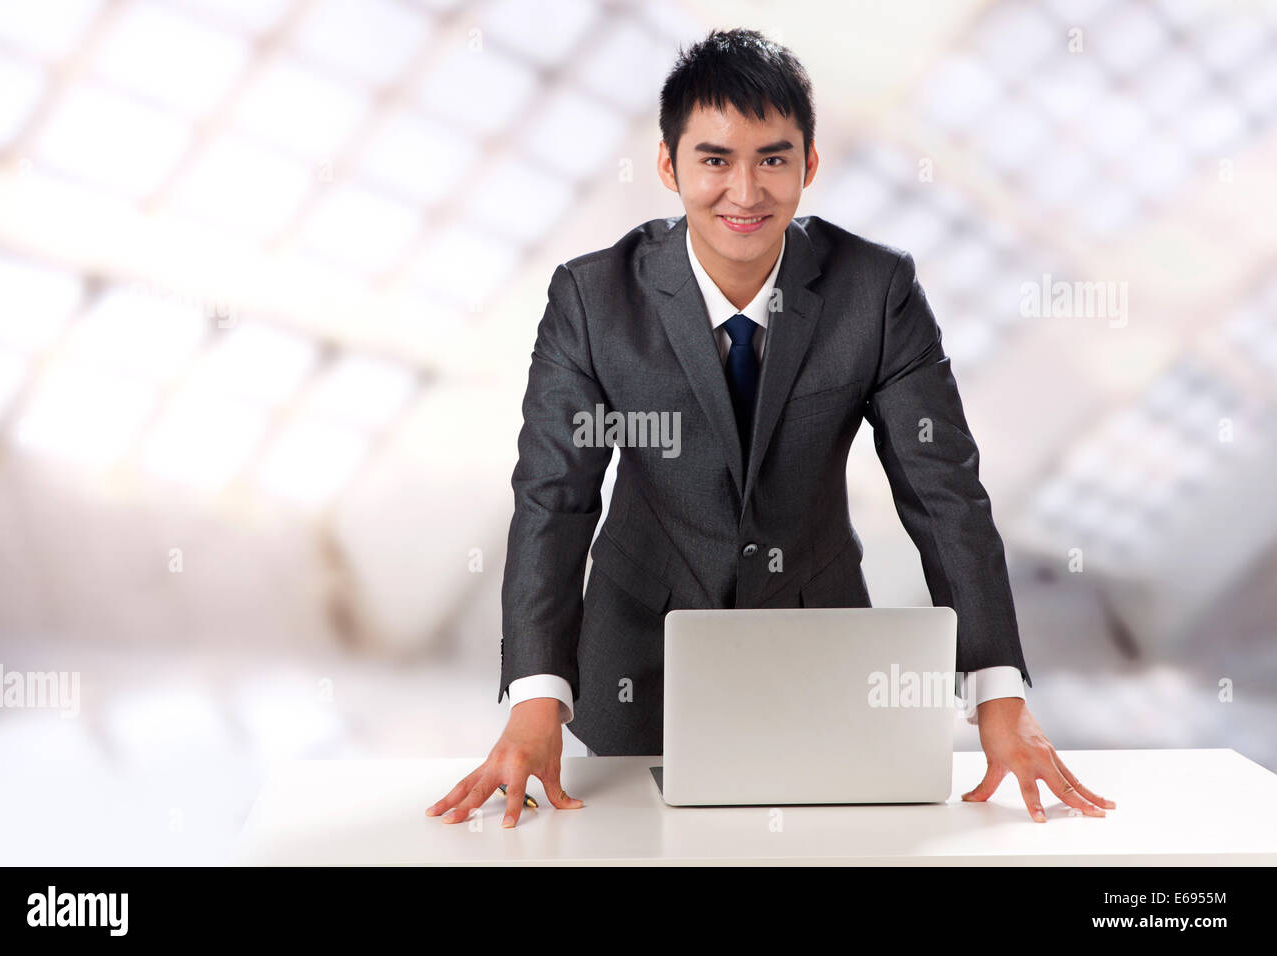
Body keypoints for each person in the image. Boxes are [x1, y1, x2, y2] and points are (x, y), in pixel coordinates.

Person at [426, 28, 1115, 829]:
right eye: (715, 159)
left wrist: (997, 689)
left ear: (809, 166)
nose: (745, 191)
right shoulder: (592, 299)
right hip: (634, 671)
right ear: (668, 165)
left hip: (816, 660)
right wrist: (538, 697)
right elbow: (554, 497)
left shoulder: (877, 292)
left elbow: (945, 493)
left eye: (773, 159)